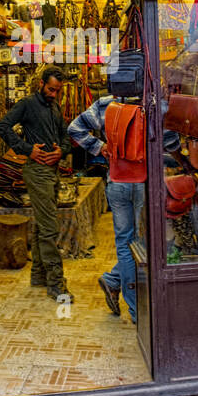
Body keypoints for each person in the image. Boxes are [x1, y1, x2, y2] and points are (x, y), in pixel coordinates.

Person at [0, 65, 74, 301]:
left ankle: (39, 275)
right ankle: (56, 283)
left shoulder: (55, 106)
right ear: (41, 83)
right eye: (51, 89)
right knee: (50, 228)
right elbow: (3, 126)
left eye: (57, 91)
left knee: (43, 226)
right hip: (37, 171)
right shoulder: (28, 104)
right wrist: (27, 149)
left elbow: (65, 136)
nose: (54, 94)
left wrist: (62, 151)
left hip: (52, 170)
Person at [68, 94, 145, 324]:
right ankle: (133, 305)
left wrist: (101, 147)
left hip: (118, 179)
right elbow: (169, 140)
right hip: (143, 181)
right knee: (143, 243)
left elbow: (75, 128)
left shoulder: (106, 104)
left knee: (125, 242)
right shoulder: (151, 100)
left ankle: (125, 296)